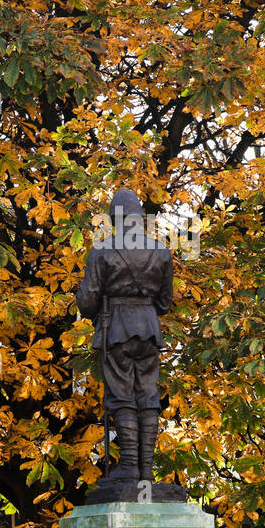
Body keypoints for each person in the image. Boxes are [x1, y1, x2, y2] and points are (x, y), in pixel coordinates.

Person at [75, 188, 173, 484]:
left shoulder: (101, 250)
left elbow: (87, 301)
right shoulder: (162, 251)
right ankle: (146, 470)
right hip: (149, 330)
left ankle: (130, 466)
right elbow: (166, 303)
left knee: (121, 396)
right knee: (148, 396)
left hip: (116, 328)